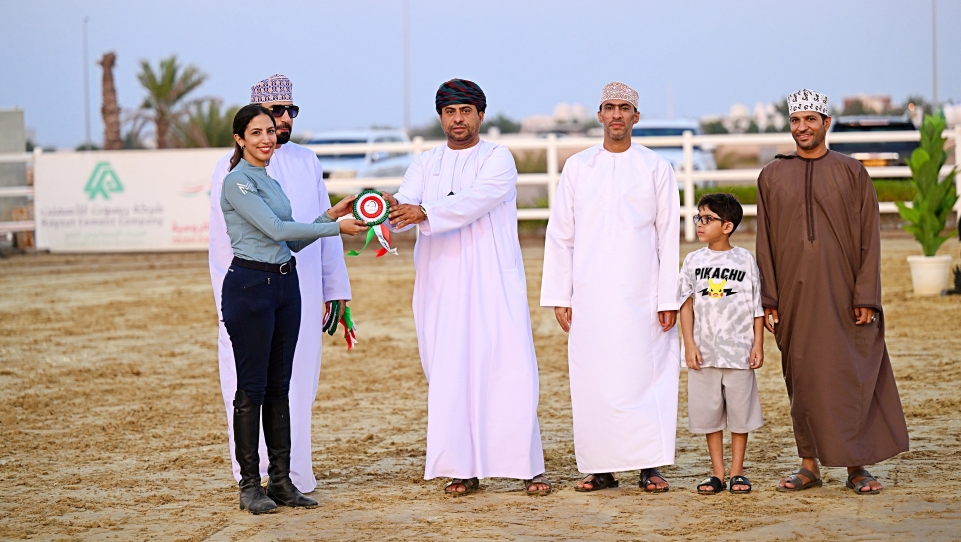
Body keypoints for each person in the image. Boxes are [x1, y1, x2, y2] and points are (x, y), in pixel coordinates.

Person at [385, 78, 549, 496]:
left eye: (465, 111)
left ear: (480, 115)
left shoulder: (498, 158)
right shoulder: (425, 163)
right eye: (449, 112)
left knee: (509, 368)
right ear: (441, 117)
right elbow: (405, 205)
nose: (457, 120)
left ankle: (526, 467)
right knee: (449, 371)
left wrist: (423, 211)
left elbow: (476, 200)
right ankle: (462, 467)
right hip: (440, 283)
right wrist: (382, 209)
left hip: (493, 278)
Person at [757, 89, 909, 494]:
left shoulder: (852, 172)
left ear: (827, 123)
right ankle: (809, 465)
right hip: (793, 297)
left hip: (844, 295)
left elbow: (869, 239)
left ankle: (856, 466)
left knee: (850, 375)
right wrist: (769, 300)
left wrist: (866, 296)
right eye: (795, 121)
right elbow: (765, 243)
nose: (802, 127)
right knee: (803, 379)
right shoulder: (771, 175)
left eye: (810, 119)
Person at [209, 74, 352, 496]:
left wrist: (334, 287)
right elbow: (229, 241)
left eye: (289, 112)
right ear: (244, 133)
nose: (282, 122)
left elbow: (300, 233)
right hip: (249, 288)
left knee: (291, 383)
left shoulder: (305, 162)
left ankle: (290, 477)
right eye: (273, 115)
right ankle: (249, 479)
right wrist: (229, 302)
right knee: (248, 384)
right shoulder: (230, 172)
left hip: (295, 289)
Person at [540, 81, 680, 494]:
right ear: (599, 115)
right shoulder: (579, 167)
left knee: (647, 375)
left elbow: (668, 234)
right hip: (590, 293)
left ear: (636, 117)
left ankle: (649, 466)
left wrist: (667, 296)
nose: (616, 115)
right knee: (594, 379)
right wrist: (559, 295)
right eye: (609, 107)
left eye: (624, 108)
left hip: (643, 291)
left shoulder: (656, 167)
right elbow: (560, 234)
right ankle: (600, 468)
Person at [678, 193, 765, 495]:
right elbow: (685, 305)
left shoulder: (744, 259)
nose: (700, 224)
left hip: (739, 350)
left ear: (727, 226)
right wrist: (688, 344)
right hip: (704, 352)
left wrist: (758, 345)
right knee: (709, 414)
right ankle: (717, 472)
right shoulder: (693, 260)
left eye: (707, 219)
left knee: (740, 415)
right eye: (698, 218)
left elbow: (756, 305)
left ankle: (737, 472)